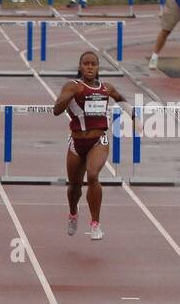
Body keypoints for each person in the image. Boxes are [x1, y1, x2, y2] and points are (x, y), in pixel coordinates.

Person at [54, 51, 132, 241]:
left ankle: (95, 224)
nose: (89, 67)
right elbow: (57, 110)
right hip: (76, 142)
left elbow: (121, 99)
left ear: (98, 68)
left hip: (98, 140)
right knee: (74, 187)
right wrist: (71, 95)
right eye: (86, 64)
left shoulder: (106, 88)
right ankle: (73, 213)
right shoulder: (72, 85)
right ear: (80, 66)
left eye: (93, 64)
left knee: (93, 175)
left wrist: (135, 118)